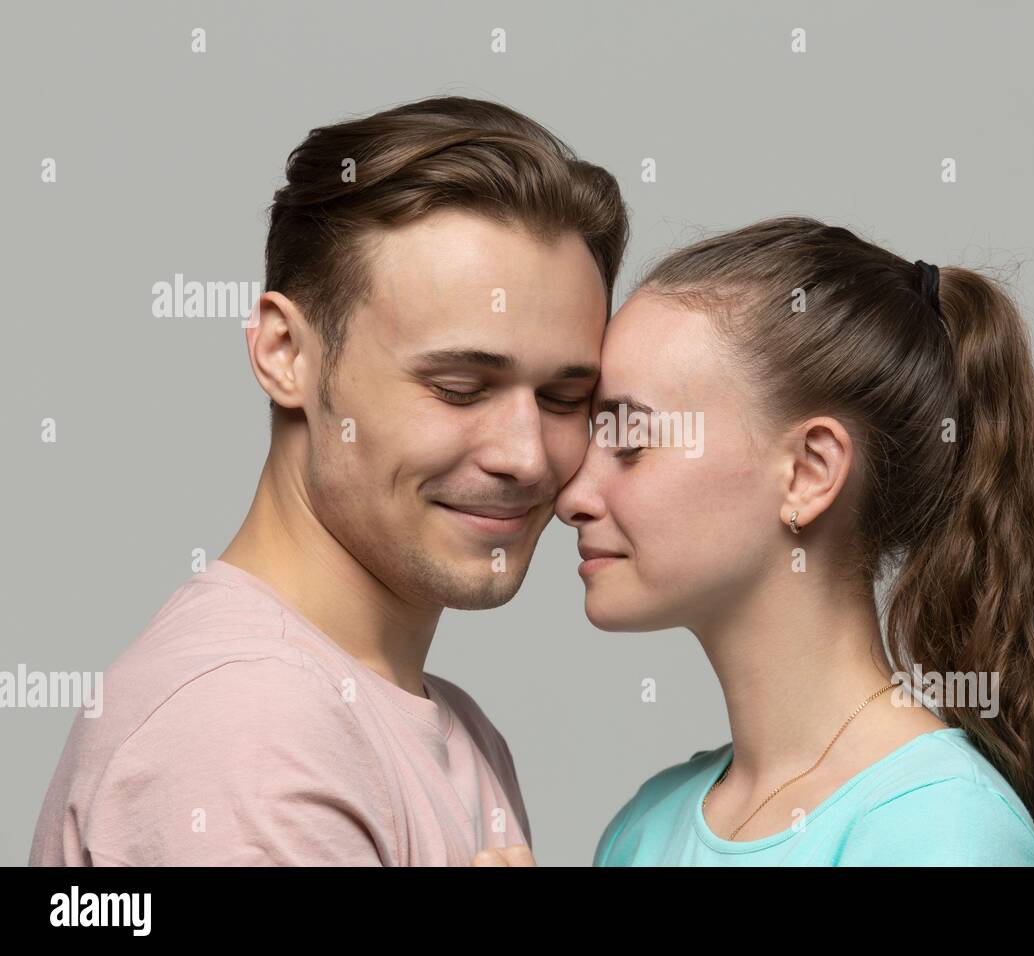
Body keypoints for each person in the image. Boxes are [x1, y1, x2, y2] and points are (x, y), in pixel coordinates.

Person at [29, 96, 628, 866]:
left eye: (562, 399)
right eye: (458, 387)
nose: (527, 456)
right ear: (285, 352)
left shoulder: (451, 730)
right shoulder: (250, 721)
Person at [557, 217, 1034, 866]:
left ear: (808, 471)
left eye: (629, 439)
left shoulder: (941, 825)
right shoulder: (645, 826)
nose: (571, 496)